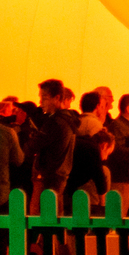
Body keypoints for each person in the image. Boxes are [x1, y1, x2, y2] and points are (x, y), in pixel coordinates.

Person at [29, 80, 79, 212]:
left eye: (44, 98)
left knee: (41, 217)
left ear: (57, 98)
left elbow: (32, 146)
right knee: (56, 216)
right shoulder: (69, 120)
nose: (40, 102)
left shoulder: (54, 123)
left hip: (48, 177)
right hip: (60, 176)